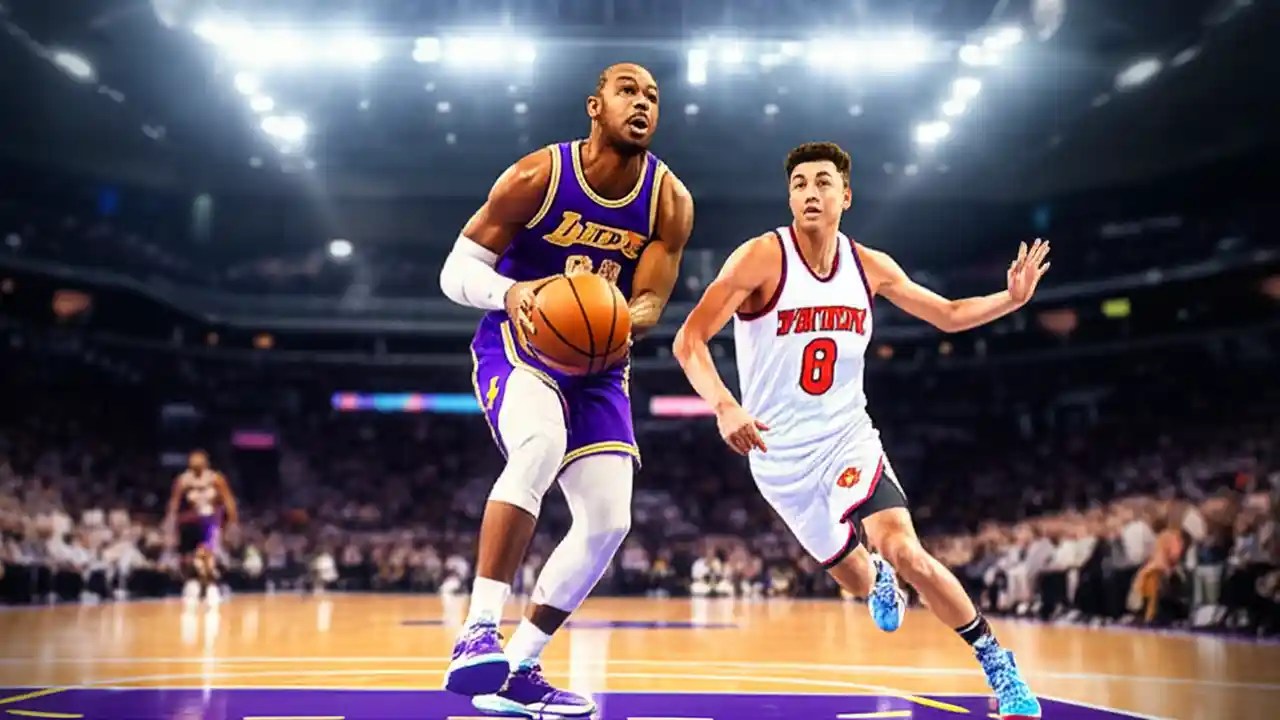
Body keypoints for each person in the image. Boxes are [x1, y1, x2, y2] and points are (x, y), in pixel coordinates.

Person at [672, 141, 1048, 718]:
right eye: (799, 183)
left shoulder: (869, 267)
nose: (810, 193)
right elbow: (689, 340)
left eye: (823, 182)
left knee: (905, 550)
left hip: (847, 438)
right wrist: (725, 405)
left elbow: (946, 314)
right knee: (855, 577)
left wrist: (1011, 299)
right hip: (777, 457)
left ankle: (999, 665)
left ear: (846, 195)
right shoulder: (760, 259)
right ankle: (873, 575)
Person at [438, 62, 694, 718]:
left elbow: (650, 302)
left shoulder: (669, 200)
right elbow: (454, 271)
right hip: (519, 340)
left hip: (600, 363)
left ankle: (518, 667)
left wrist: (612, 313)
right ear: (594, 105)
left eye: (653, 98)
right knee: (539, 444)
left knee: (610, 520)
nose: (642, 104)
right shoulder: (537, 177)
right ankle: (478, 631)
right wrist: (515, 292)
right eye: (627, 91)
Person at [164, 450, 237, 609]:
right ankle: (193, 585)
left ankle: (211, 587)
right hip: (190, 522)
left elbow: (228, 500)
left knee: (208, 555)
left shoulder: (216, 478)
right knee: (191, 558)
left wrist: (232, 521)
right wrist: (170, 523)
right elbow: (174, 503)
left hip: (211, 521)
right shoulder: (183, 480)